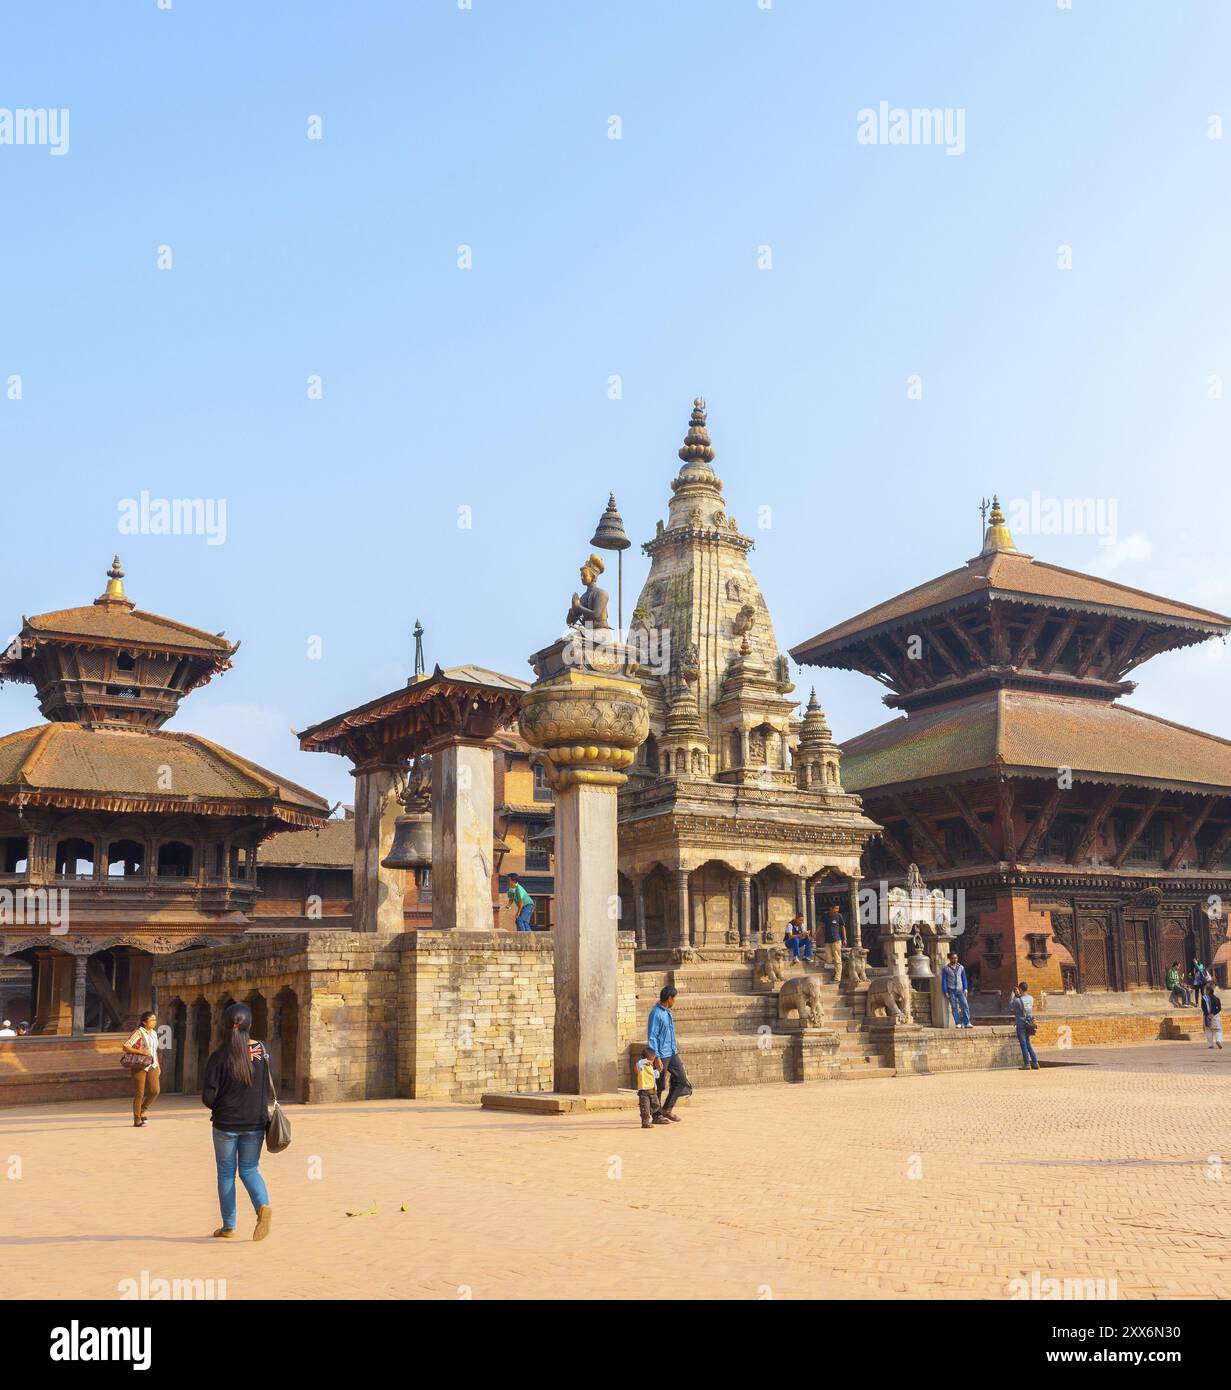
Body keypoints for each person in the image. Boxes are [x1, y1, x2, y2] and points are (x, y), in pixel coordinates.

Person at [202, 1001, 273, 1241]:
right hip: (255, 1122)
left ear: (224, 1025)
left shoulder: (219, 1056)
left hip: (225, 1123)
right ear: (250, 1024)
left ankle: (229, 1226)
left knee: (226, 1173)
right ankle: (263, 1206)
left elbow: (208, 1097)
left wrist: (223, 1105)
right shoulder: (261, 1051)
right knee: (250, 1169)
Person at [647, 986, 692, 1122]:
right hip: (660, 1054)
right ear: (669, 998)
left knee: (681, 1079)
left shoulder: (667, 1012)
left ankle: (667, 1109)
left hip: (671, 1053)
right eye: (675, 998)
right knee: (658, 1085)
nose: (675, 1001)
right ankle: (656, 1115)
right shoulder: (656, 1014)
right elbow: (652, 1037)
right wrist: (656, 1057)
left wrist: (674, 1050)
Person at [121, 1010, 160, 1127]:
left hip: (152, 1064)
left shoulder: (153, 1033)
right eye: (151, 1020)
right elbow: (125, 1046)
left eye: (155, 1020)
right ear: (144, 1022)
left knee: (155, 1091)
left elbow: (154, 1050)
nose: (154, 1022)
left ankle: (142, 1111)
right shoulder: (138, 1033)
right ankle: (137, 1119)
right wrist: (141, 1051)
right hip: (140, 1065)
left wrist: (158, 1065)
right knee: (140, 1093)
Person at [1009, 982, 1039, 1070]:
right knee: (1028, 1042)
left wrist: (1012, 996)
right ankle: (1035, 1062)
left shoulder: (1017, 1000)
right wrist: (1019, 995)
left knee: (1023, 1043)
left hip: (1021, 1023)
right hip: (1029, 1023)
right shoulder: (1031, 998)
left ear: (1020, 989)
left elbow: (1011, 1006)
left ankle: (1027, 1064)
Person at [634, 1047, 666, 1128]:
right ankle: (645, 1122)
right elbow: (638, 1064)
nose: (653, 1061)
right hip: (644, 1090)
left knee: (656, 1104)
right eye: (652, 1059)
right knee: (645, 1108)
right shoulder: (641, 1066)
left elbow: (655, 1075)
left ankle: (652, 1111)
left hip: (652, 1089)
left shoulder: (651, 1067)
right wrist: (647, 1060)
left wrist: (659, 1070)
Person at [941, 952, 973, 1028]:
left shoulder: (961, 967)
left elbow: (964, 978)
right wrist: (945, 991)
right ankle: (957, 1023)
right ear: (950, 959)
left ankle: (967, 1022)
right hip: (951, 990)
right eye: (953, 958)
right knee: (954, 1007)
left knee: (965, 1005)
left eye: (956, 958)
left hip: (961, 990)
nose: (955, 959)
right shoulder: (946, 968)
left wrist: (965, 988)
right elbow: (944, 980)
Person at [821, 904, 846, 980]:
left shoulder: (839, 916)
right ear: (830, 908)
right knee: (829, 959)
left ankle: (838, 977)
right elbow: (821, 925)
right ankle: (835, 971)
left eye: (838, 908)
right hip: (827, 941)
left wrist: (845, 939)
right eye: (835, 908)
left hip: (836, 940)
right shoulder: (825, 915)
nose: (837, 910)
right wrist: (815, 934)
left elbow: (843, 927)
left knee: (837, 959)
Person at [1200, 982, 1223, 1051]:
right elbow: (1219, 1008)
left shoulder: (1204, 998)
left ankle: (1210, 1044)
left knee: (1208, 1030)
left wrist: (1207, 1014)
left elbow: (1203, 1007)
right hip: (1215, 1016)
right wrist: (1213, 1013)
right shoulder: (1217, 999)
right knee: (1218, 1030)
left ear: (1207, 991)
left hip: (1207, 1016)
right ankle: (1218, 1040)